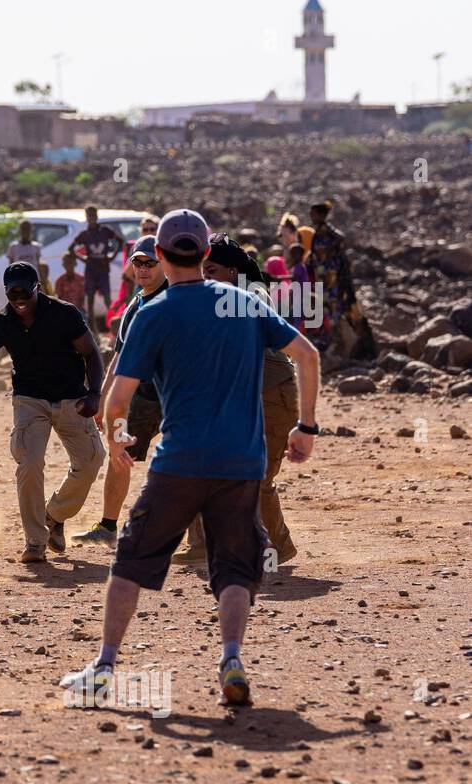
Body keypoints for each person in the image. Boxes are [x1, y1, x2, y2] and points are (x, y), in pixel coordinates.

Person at [61, 209, 321, 707]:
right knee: (236, 566)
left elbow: (117, 398)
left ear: (159, 255)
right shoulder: (245, 303)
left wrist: (117, 442)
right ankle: (231, 660)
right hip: (241, 463)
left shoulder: (152, 313)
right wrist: (305, 427)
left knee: (132, 558)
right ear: (206, 254)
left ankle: (104, 667)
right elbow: (307, 355)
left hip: (179, 461)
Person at [0, 261, 105, 563]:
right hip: (30, 400)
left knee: (92, 460)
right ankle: (35, 541)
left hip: (72, 397)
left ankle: (53, 514)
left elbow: (91, 354)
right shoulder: (0, 323)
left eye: (24, 293)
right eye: (12, 293)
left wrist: (95, 393)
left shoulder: (64, 314)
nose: (19, 299)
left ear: (37, 289)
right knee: (29, 462)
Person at [176, 234, 299, 566]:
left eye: (210, 269)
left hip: (271, 397)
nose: (203, 276)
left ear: (232, 271)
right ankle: (201, 546)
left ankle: (278, 546)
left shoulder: (249, 296)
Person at [73, 235, 168, 547]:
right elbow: (119, 356)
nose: (142, 268)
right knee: (119, 452)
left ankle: (202, 539)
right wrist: (102, 396)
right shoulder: (136, 302)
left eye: (149, 262)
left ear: (164, 263)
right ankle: (108, 526)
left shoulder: (175, 301)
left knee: (190, 460)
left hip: (175, 394)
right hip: (140, 396)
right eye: (137, 262)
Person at [310, 200, 375, 359]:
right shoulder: (322, 231)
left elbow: (337, 242)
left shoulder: (326, 231)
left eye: (313, 213)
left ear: (320, 215)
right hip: (326, 278)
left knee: (335, 307)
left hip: (332, 278)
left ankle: (345, 343)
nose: (311, 216)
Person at [68, 206, 122, 326]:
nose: (91, 217)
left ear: (97, 216)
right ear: (86, 217)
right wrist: (83, 259)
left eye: (93, 215)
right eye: (89, 215)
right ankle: (94, 329)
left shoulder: (105, 231)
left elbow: (120, 240)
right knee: (90, 299)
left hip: (103, 269)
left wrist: (111, 257)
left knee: (107, 299)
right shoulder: (84, 234)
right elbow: (71, 248)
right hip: (91, 269)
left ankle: (112, 327)